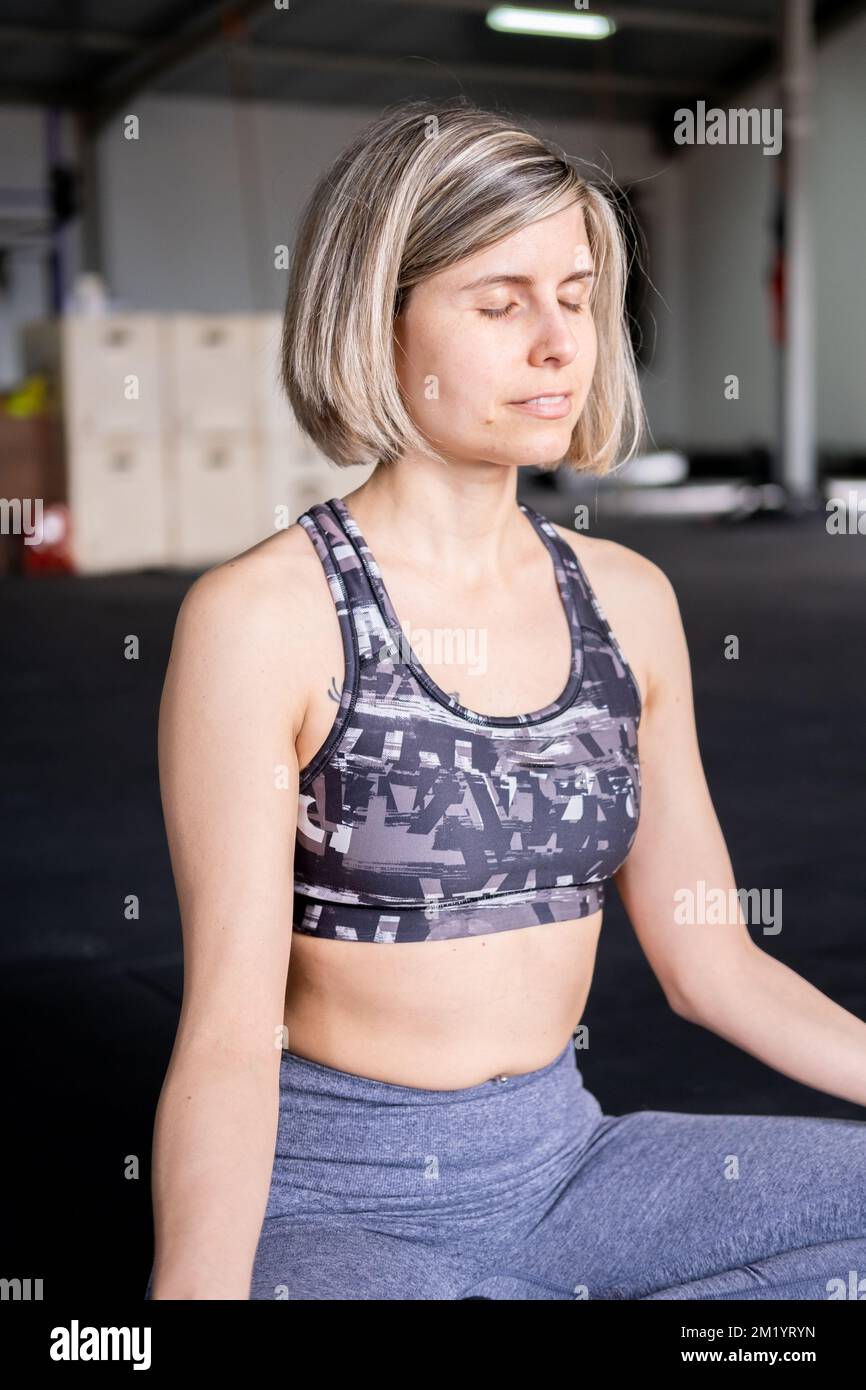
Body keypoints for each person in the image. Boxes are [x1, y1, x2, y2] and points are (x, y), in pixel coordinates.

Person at [145, 98, 866, 1301]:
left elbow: (714, 965)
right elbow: (226, 1039)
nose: (556, 343)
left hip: (570, 1166)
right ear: (376, 326)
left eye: (576, 297)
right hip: (335, 1205)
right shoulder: (262, 619)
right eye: (497, 302)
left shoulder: (628, 601)